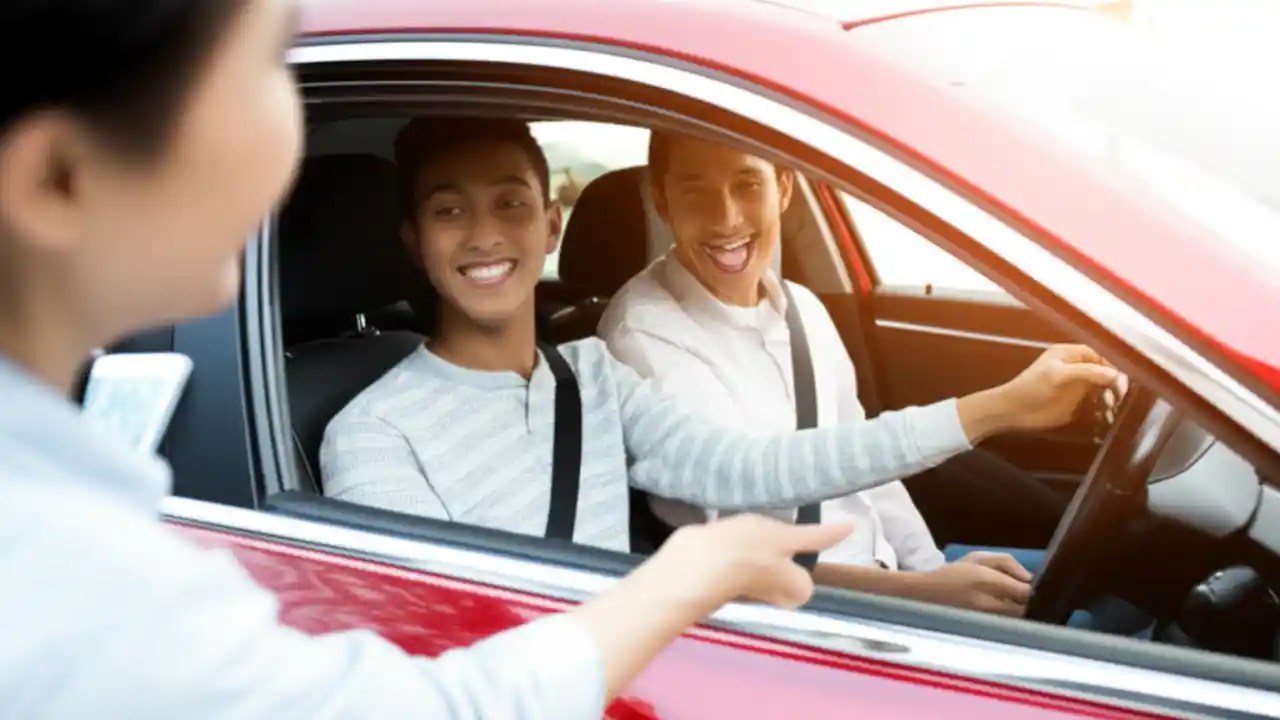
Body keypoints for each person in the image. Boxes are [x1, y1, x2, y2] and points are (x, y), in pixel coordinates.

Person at [0, 2, 859, 717]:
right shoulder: (72, 586)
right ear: (59, 179)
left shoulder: (77, 517)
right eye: (258, 71)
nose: (288, 147)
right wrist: (686, 579)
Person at [318, 116, 1121, 569]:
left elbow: (757, 470)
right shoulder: (370, 433)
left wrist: (992, 410)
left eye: (510, 204)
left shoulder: (594, 377)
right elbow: (432, 642)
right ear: (412, 239)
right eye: (450, 211)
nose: (485, 235)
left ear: (551, 225)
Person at [598, 131, 1125, 618]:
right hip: (802, 619)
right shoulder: (644, 334)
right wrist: (925, 596)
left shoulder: (802, 309)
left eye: (747, 184)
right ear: (661, 201)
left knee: (1116, 589)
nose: (727, 217)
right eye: (696, 192)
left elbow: (872, 477)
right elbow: (740, 559)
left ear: (784, 190)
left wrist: (930, 570)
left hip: (887, 580)